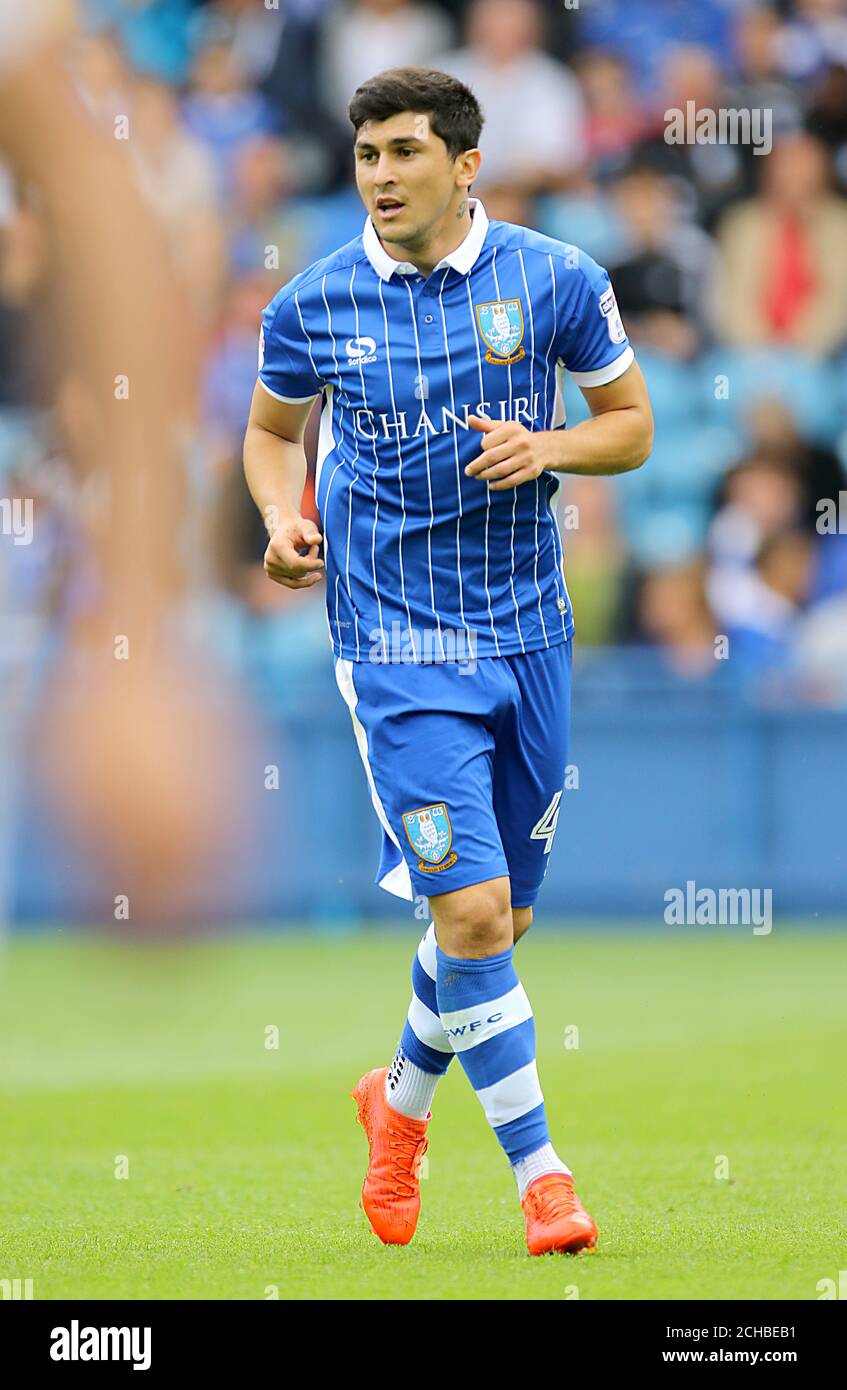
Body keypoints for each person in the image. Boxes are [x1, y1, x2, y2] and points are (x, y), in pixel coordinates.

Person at [242, 66, 653, 1256]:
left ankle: (399, 1100)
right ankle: (544, 1178)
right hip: (394, 646)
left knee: (497, 925)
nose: (380, 176)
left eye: (405, 153)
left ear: (465, 164)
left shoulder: (557, 279)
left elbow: (629, 426)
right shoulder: (313, 304)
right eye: (367, 155)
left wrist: (550, 445)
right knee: (467, 912)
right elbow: (271, 437)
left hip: (529, 633)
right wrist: (282, 519)